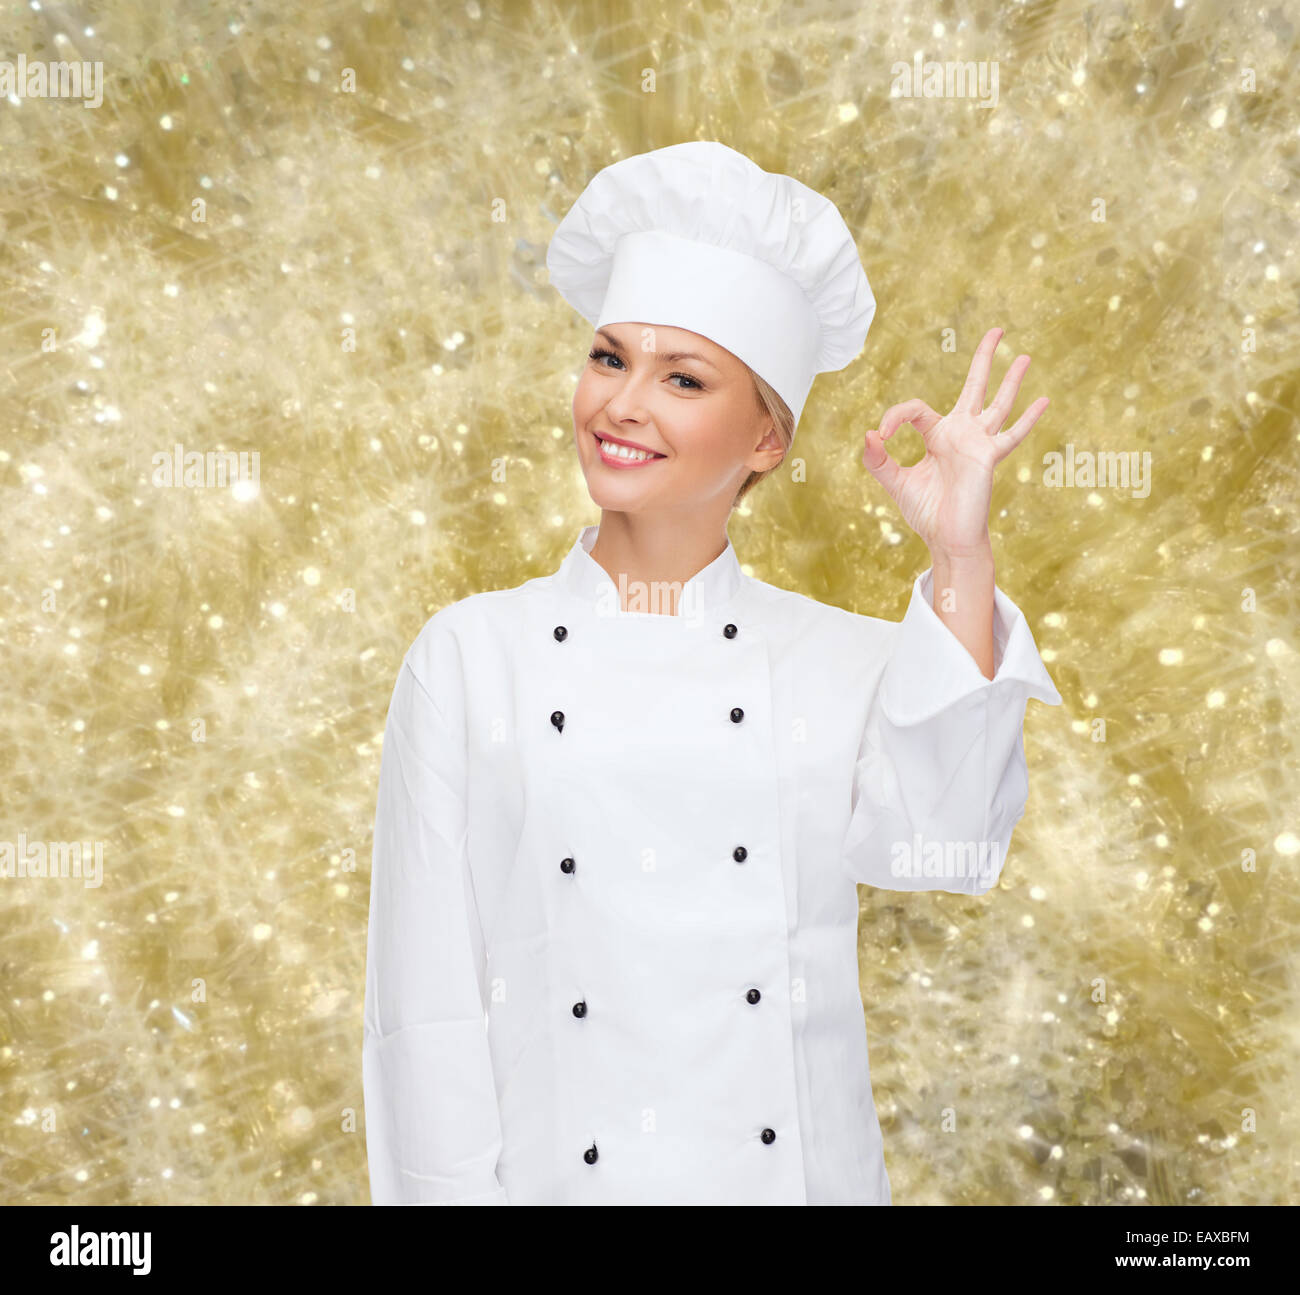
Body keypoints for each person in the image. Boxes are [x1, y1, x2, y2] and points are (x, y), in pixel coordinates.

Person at [361, 141, 1063, 1206]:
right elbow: (426, 1019)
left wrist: (957, 557)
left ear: (766, 438)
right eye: (609, 358)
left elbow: (946, 844)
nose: (622, 405)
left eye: (681, 377)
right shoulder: (469, 658)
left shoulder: (840, 660)